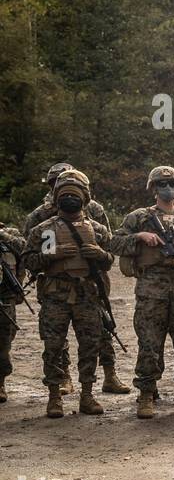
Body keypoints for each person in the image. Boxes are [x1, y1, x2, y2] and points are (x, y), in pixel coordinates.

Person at [110, 165, 174, 419]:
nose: (167, 189)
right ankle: (146, 395)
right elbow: (113, 243)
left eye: (171, 184)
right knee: (149, 346)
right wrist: (140, 237)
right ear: (153, 189)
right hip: (151, 294)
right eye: (161, 185)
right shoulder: (139, 218)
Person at [24, 160, 129, 396]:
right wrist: (50, 257)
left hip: (91, 282)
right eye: (57, 183)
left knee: (99, 330)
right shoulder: (41, 218)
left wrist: (100, 257)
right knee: (55, 336)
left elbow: (108, 246)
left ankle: (109, 374)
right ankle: (64, 379)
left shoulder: (93, 212)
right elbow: (28, 252)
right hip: (56, 285)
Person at [0, 224, 25, 403]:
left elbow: (25, 249)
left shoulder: (10, 233)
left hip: (5, 296)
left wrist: (3, 236)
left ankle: (0, 382)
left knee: (3, 341)